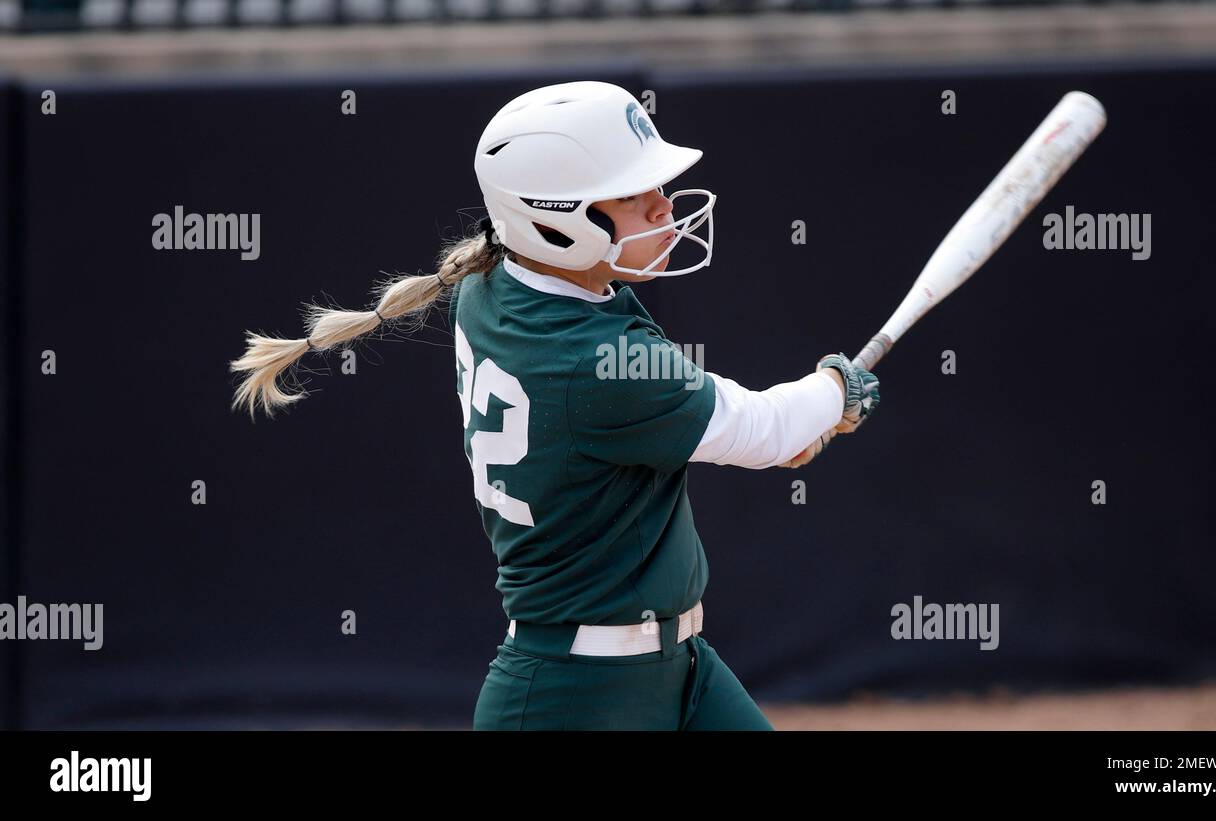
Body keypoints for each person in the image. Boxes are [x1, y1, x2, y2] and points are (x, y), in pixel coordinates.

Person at [229, 80, 881, 730]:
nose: (662, 207)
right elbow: (759, 429)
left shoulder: (492, 287)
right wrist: (834, 387)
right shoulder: (597, 357)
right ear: (555, 219)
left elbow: (738, 435)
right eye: (633, 196)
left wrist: (806, 418)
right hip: (575, 698)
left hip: (681, 671)